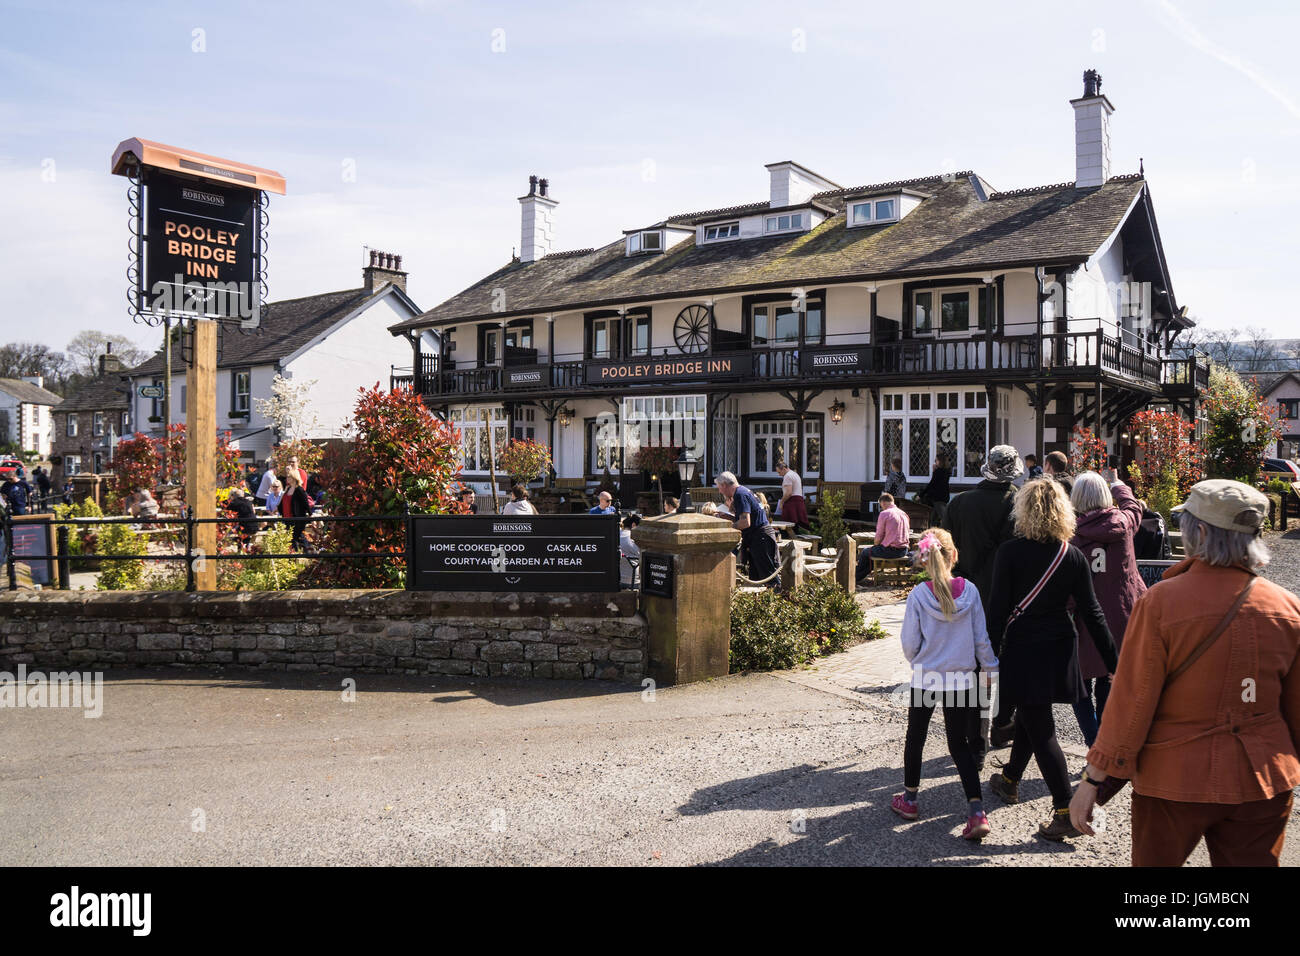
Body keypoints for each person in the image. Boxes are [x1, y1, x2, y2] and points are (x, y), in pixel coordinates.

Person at [1069, 480, 1300, 866]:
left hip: (1173, 777)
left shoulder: (1161, 601)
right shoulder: (1287, 608)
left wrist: (1096, 781)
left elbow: (1132, 703)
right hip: (1262, 780)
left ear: (1202, 533)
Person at [985, 478, 1117, 842]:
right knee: (1033, 715)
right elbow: (1093, 613)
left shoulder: (1010, 553)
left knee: (1041, 727)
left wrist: (985, 656)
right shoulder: (1071, 555)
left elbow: (997, 613)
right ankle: (1010, 779)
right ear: (1063, 511)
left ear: (1023, 511)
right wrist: (1114, 663)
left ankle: (1064, 809)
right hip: (1060, 647)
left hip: (1024, 649)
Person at [892, 529, 998, 840]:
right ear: (954, 556)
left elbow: (909, 642)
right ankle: (976, 810)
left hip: (928, 676)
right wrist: (991, 667)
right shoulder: (971, 592)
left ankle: (909, 800)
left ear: (924, 560)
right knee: (959, 744)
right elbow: (981, 638)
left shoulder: (919, 595)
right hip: (961, 677)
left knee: (917, 736)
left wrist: (919, 662)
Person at [943, 444, 1021, 755]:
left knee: (971, 666)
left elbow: (945, 554)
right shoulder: (1020, 504)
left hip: (967, 595)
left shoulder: (960, 504)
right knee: (1008, 664)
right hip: (1010, 597)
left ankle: (974, 735)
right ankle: (1002, 724)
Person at [1069, 470, 1146, 747]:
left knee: (1080, 684)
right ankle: (1103, 739)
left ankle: (1093, 740)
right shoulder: (1123, 525)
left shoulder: (1072, 538)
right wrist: (1117, 483)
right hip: (1121, 613)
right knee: (1108, 677)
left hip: (1085, 620)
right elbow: (1132, 506)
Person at [716, 471, 779, 585]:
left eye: (719, 488)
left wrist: (729, 526)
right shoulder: (744, 491)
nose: (720, 491)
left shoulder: (740, 494)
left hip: (760, 537)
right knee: (755, 578)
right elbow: (749, 518)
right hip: (759, 536)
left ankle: (780, 599)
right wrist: (730, 518)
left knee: (768, 577)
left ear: (724, 485)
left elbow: (745, 523)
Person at [856, 492, 911, 585]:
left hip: (891, 550)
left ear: (883, 503)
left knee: (865, 552)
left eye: (881, 505)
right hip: (904, 550)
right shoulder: (904, 514)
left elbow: (879, 536)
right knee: (871, 554)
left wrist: (876, 545)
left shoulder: (884, 513)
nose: (882, 507)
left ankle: (855, 576)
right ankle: (858, 576)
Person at [279, 471, 313, 552]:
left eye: (289, 477)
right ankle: (299, 553)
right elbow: (282, 503)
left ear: (294, 478)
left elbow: (305, 502)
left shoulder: (299, 489)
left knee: (296, 536)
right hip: (287, 518)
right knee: (293, 537)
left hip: (297, 518)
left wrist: (310, 514)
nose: (287, 479)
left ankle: (306, 551)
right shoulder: (288, 489)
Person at [775, 462, 808, 530]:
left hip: (792, 501)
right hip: (799, 501)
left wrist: (781, 502)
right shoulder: (795, 474)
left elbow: (788, 493)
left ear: (784, 469)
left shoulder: (787, 476)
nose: (779, 474)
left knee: (788, 525)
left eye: (779, 472)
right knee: (796, 524)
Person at [619, 513, 642, 586]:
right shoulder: (634, 538)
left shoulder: (615, 534)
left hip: (616, 579)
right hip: (633, 581)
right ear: (634, 525)